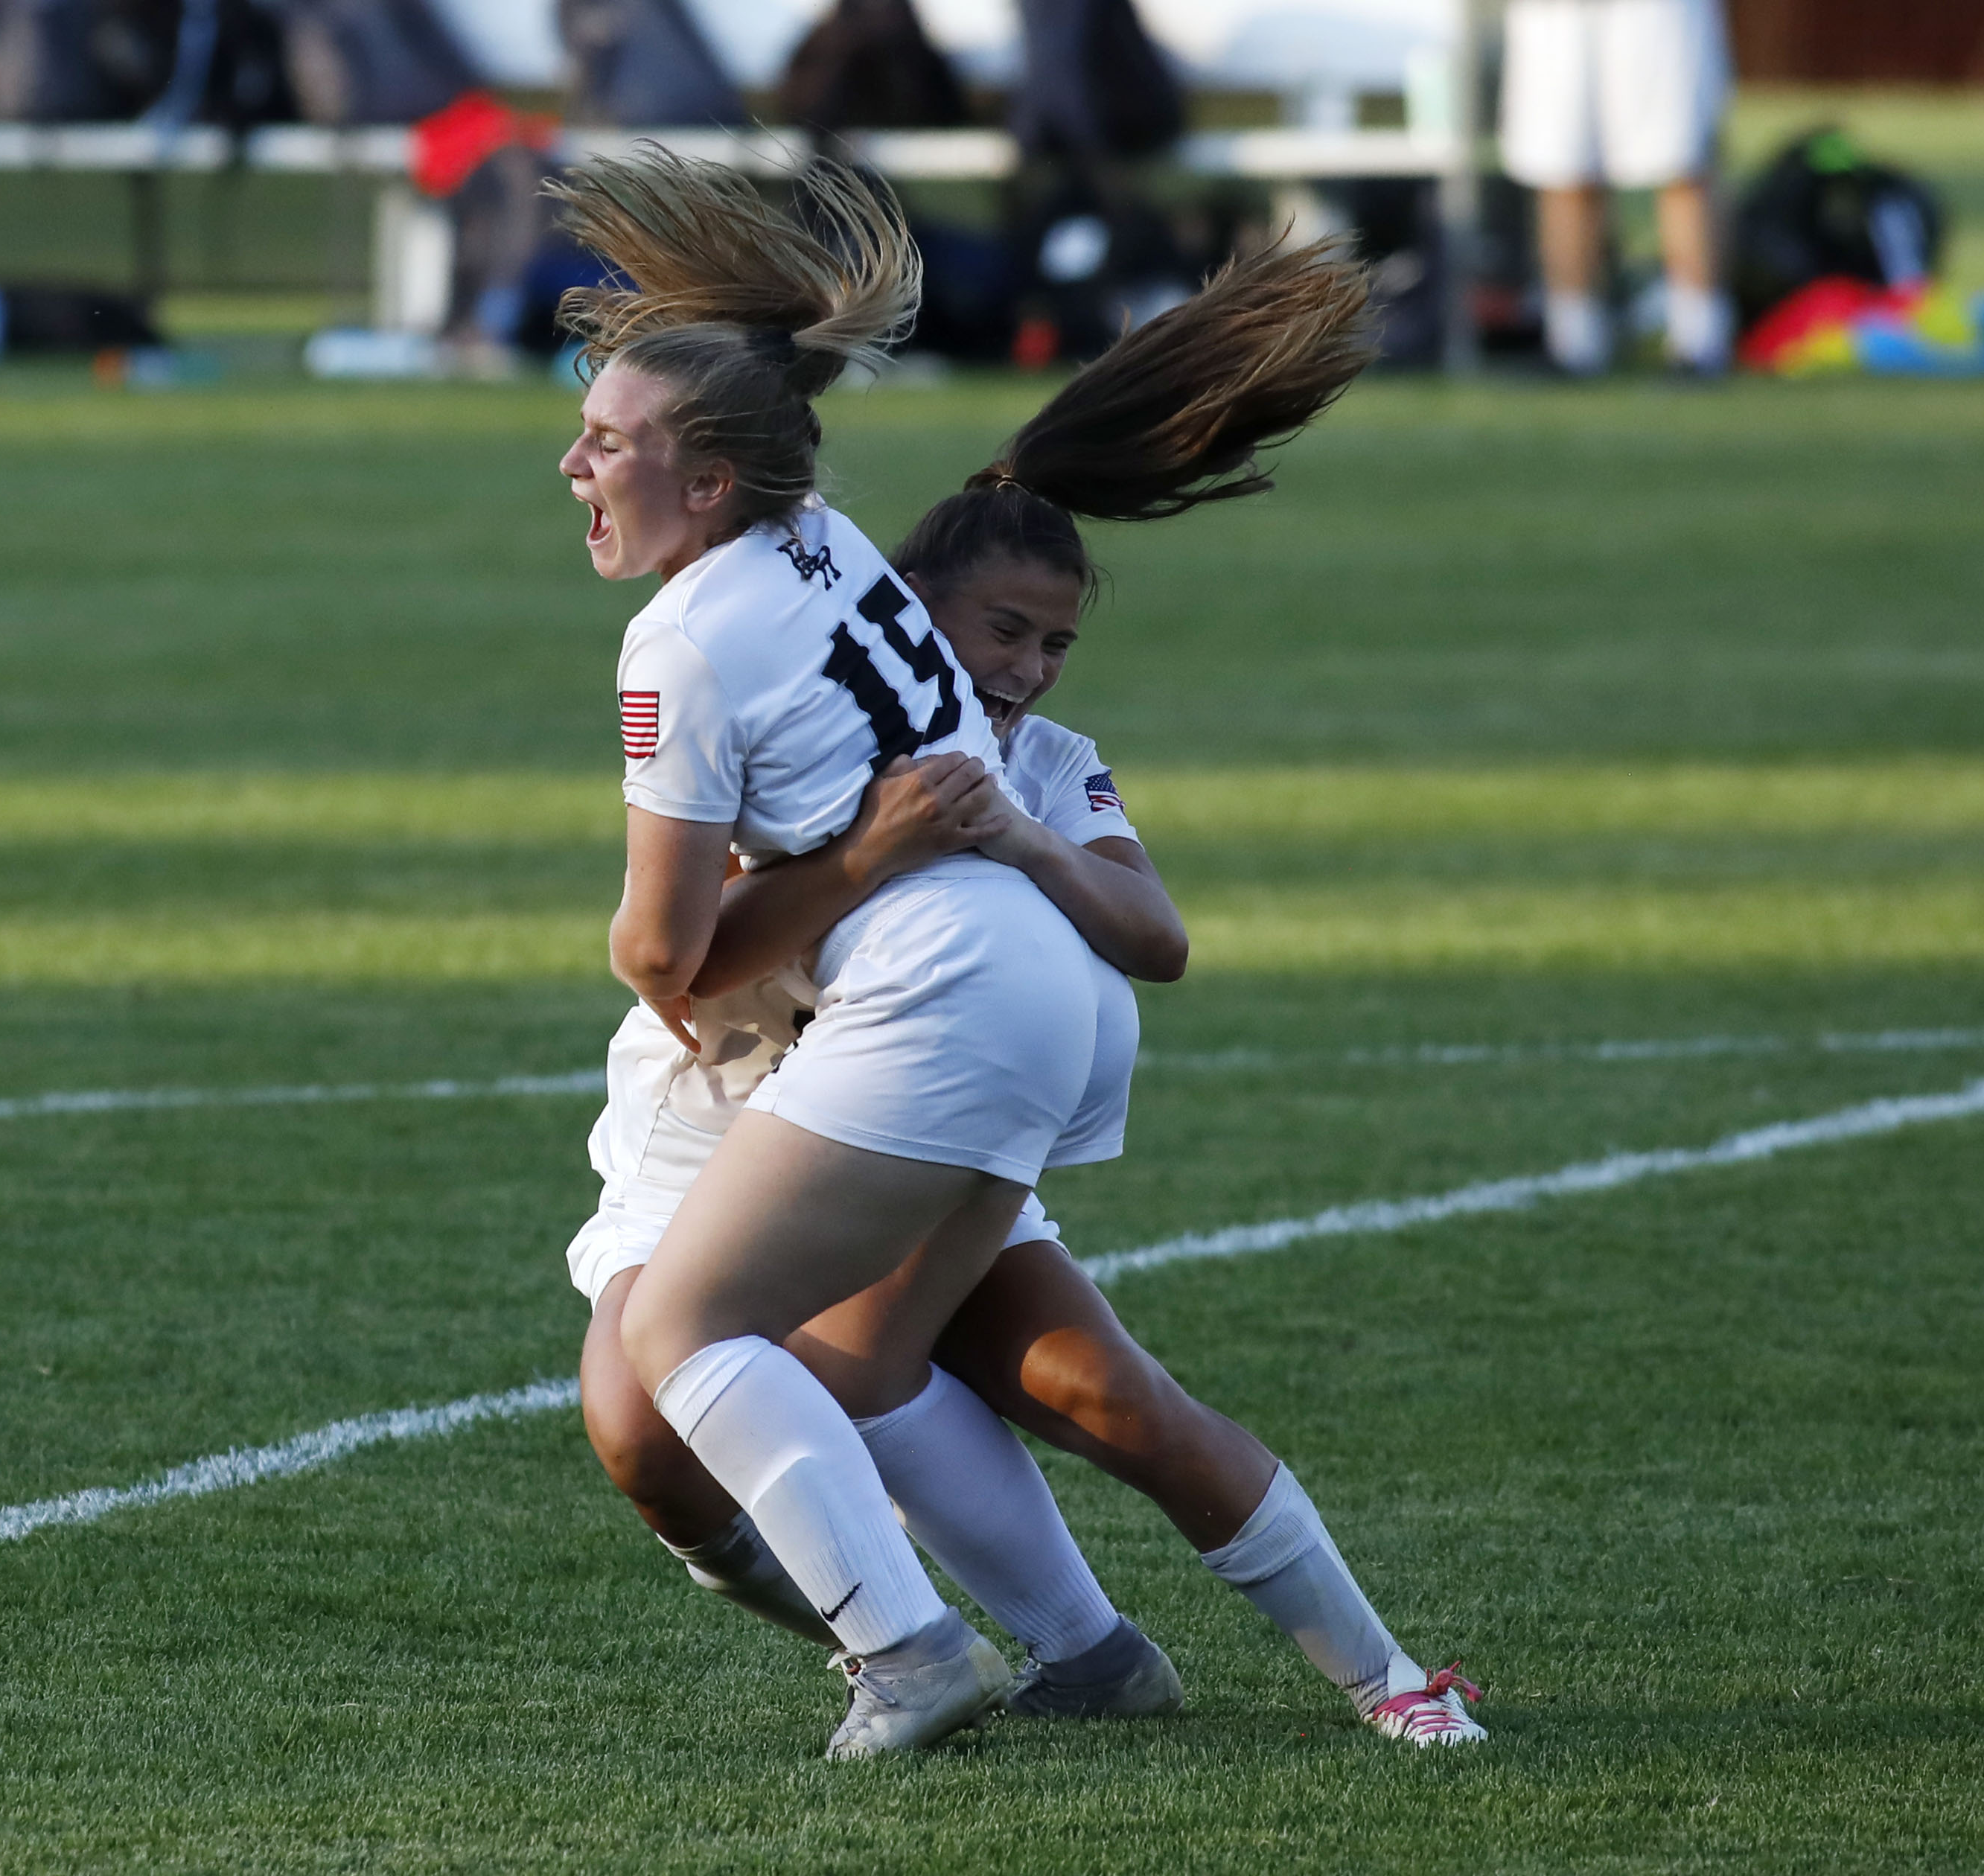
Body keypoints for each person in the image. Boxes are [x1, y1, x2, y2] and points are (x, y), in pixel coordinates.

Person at [558, 216, 1485, 1749]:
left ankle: (915, 1654)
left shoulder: (710, 641)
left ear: (711, 480)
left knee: (688, 1347)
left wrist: (817, 885)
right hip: (955, 1025)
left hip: (912, 1027)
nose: (578, 467)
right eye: (1008, 632)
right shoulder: (830, 554)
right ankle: (1132, 1662)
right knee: (834, 1381)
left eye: (605, 442)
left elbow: (669, 959)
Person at [1499, 0, 1737, 375]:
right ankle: (1573, 344)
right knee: (1562, 166)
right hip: (1551, 13)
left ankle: (1700, 341)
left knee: (1680, 161)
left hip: (1656, 12)